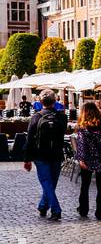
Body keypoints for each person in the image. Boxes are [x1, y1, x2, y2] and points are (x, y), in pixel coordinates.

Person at [24, 89, 68, 221]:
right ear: (55, 101)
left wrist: (27, 159)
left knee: (46, 182)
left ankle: (55, 209)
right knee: (51, 183)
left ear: (40, 101)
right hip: (56, 154)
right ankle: (43, 206)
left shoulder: (36, 117)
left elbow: (30, 139)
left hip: (40, 155)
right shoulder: (62, 117)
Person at [74, 101, 101, 220]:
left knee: (85, 185)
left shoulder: (83, 127)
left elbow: (82, 144)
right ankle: (99, 211)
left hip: (88, 158)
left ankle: (84, 209)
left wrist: (81, 159)